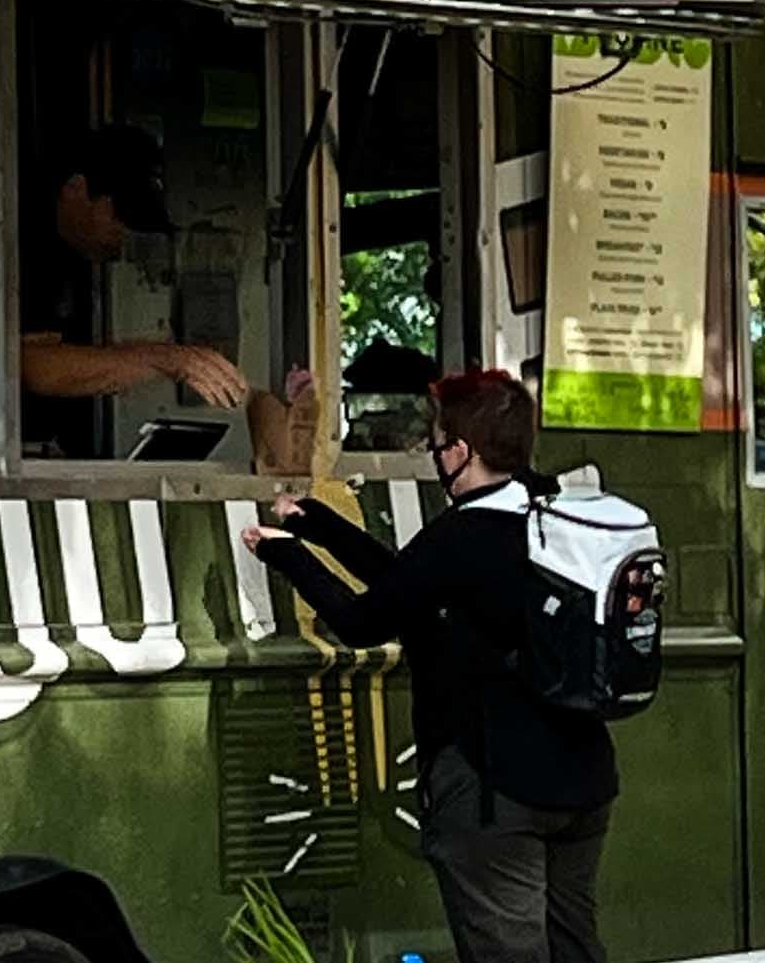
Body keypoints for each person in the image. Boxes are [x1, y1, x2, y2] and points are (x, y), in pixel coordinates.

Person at [243, 368, 618, 963]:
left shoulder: (465, 534)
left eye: (437, 441)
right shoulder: (557, 515)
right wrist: (310, 521)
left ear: (460, 452)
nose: (431, 452)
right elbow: (406, 580)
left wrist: (286, 556)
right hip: (582, 778)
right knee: (576, 949)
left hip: (497, 788)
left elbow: (367, 620)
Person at [20, 127, 248, 453]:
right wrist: (166, 359)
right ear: (74, 188)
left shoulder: (76, 257)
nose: (125, 231)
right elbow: (33, 367)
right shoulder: (23, 248)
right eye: (120, 213)